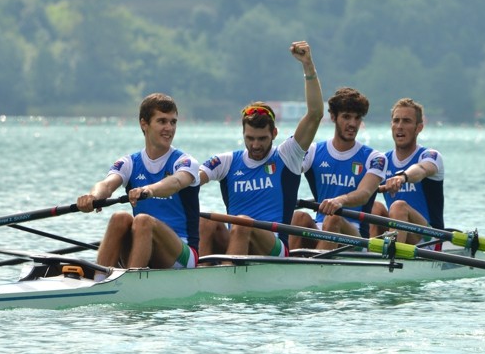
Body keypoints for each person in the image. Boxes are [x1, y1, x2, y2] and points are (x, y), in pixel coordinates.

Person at [198, 41, 323, 260]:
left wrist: (308, 66)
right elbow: (190, 178)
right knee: (206, 221)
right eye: (250, 138)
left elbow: (314, 114)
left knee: (243, 222)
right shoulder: (226, 162)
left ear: (274, 134)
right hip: (237, 238)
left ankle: (227, 280)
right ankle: (200, 276)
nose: (255, 145)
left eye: (262, 139)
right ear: (243, 133)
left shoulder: (287, 156)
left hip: (274, 248)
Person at [76, 93, 200, 277]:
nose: (169, 128)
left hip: (183, 254)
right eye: (162, 121)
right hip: (143, 246)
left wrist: (148, 190)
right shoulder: (130, 163)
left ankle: (131, 282)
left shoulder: (185, 162)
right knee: (120, 218)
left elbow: (175, 182)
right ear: (144, 124)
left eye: (173, 122)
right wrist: (93, 197)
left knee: (143, 220)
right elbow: (107, 185)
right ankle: (98, 280)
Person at [289, 87, 387, 250]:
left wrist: (340, 200)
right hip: (320, 227)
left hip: (356, 236)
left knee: (333, 219)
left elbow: (364, 194)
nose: (353, 124)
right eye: (346, 117)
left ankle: (316, 270)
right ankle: (288, 267)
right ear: (333, 117)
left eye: (357, 118)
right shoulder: (313, 152)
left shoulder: (375, 158)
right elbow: (287, 170)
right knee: (299, 217)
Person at [369, 97, 444, 244]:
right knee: (375, 207)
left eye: (406, 121)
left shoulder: (430, 156)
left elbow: (421, 169)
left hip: (429, 238)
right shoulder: (382, 161)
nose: (400, 126)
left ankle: (392, 257)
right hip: (398, 230)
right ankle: (371, 256)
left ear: (419, 128)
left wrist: (402, 177)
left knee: (398, 206)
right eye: (396, 121)